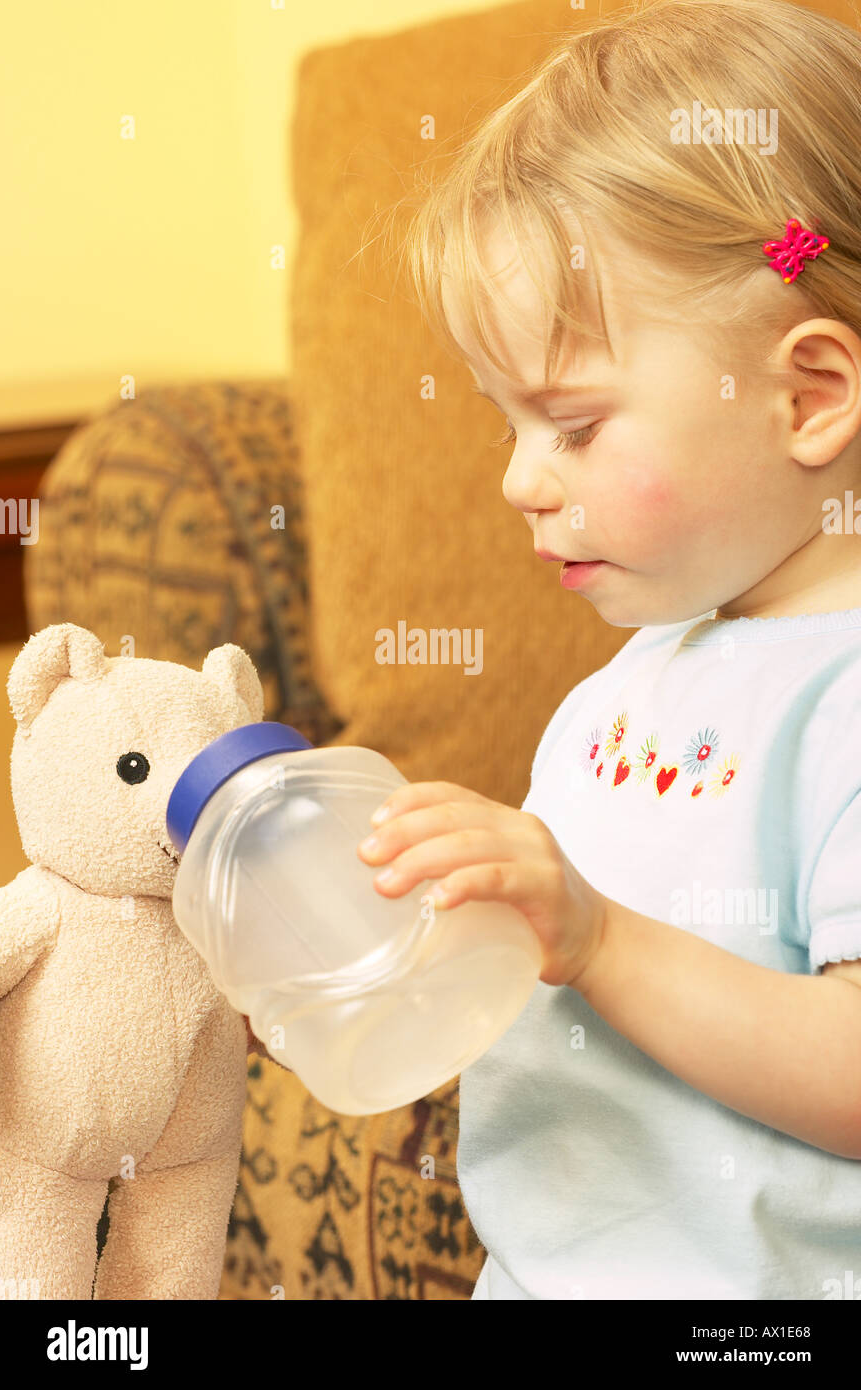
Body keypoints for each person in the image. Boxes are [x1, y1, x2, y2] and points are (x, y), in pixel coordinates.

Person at [354, 0, 861, 1298]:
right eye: (506, 423)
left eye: (573, 425)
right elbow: (521, 979)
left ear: (808, 397)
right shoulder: (614, 698)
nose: (521, 479)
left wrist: (599, 938)